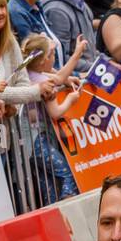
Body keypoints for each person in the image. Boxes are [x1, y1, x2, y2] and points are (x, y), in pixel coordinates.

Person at [19, 32, 84, 203]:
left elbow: (60, 77)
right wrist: (71, 99)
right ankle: (69, 206)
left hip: (26, 142)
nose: (55, 57)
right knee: (66, 172)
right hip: (36, 140)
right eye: (52, 54)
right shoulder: (42, 81)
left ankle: (53, 214)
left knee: (47, 185)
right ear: (43, 60)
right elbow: (55, 111)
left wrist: (67, 78)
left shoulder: (28, 74)